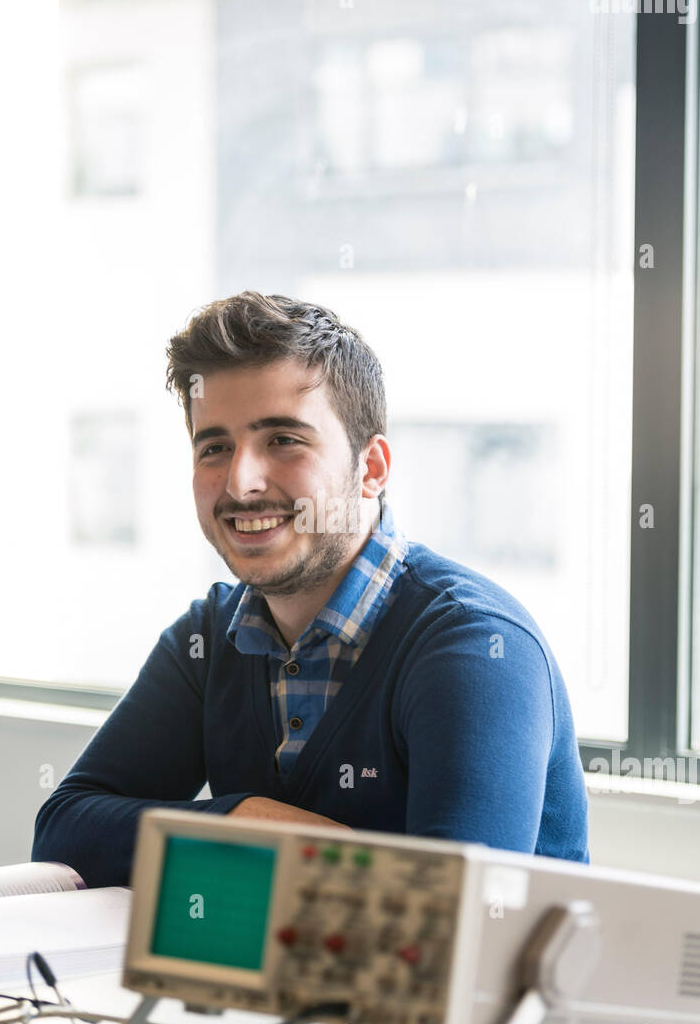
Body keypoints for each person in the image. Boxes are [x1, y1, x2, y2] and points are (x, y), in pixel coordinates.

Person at [32, 291, 588, 887]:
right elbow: (65, 834)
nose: (242, 483)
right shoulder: (209, 639)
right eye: (215, 447)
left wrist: (220, 853)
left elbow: (447, 915)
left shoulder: (475, 647)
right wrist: (247, 823)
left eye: (283, 440)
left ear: (371, 469)